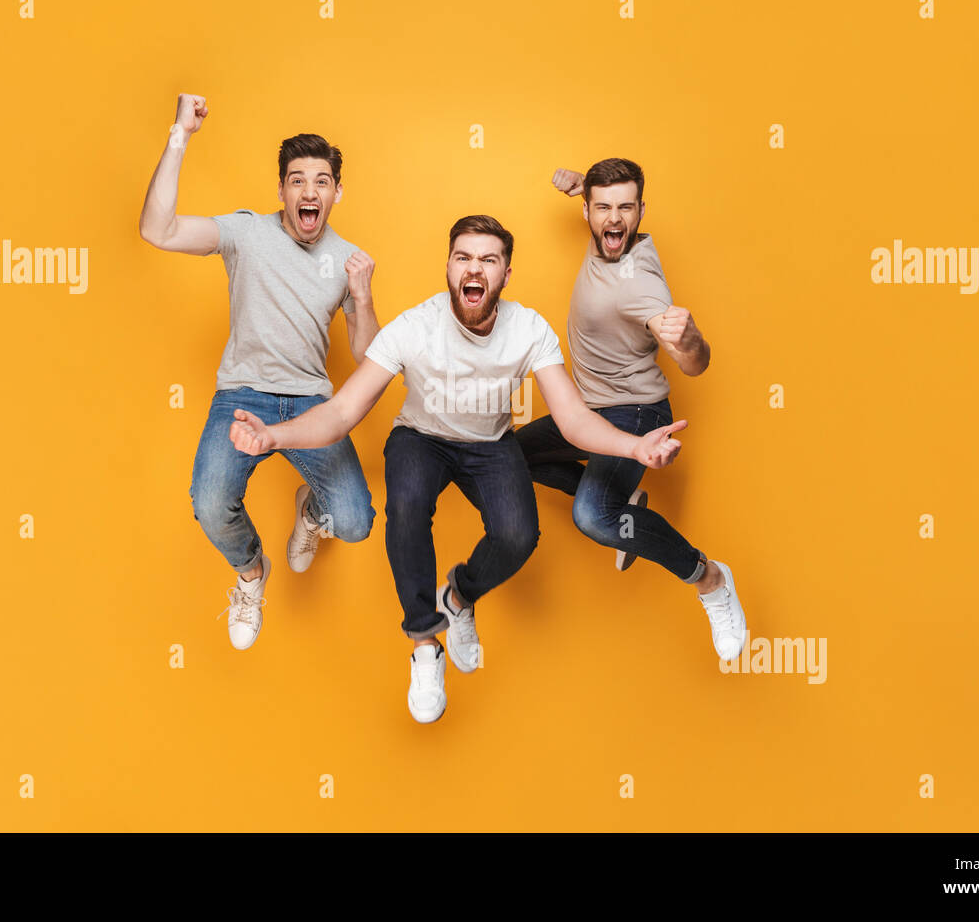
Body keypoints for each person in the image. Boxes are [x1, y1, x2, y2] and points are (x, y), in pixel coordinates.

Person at [229, 215, 687, 723]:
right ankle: (425, 646)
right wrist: (274, 436)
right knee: (405, 508)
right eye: (463, 258)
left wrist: (634, 448)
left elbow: (575, 420)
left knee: (519, 536)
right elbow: (340, 413)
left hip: (490, 445)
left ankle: (460, 596)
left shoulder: (529, 328)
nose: (475, 269)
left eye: (488, 260)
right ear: (448, 267)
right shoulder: (414, 328)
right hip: (420, 440)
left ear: (506, 275)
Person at [139, 93, 379, 651]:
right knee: (209, 503)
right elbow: (159, 229)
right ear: (282, 191)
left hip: (313, 404)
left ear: (336, 192)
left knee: (356, 522)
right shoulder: (246, 233)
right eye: (297, 180)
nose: (309, 192)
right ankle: (251, 573)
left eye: (321, 181)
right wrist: (180, 133)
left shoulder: (348, 260)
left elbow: (369, 359)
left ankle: (309, 509)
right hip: (242, 395)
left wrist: (363, 299)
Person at [515, 159, 747, 661]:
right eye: (604, 208)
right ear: (588, 211)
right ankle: (628, 510)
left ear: (642, 211)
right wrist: (582, 184)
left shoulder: (640, 283)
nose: (614, 219)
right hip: (587, 409)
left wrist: (689, 343)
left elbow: (696, 364)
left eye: (625, 208)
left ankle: (709, 578)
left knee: (593, 516)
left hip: (635, 413)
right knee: (508, 455)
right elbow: (605, 207)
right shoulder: (619, 235)